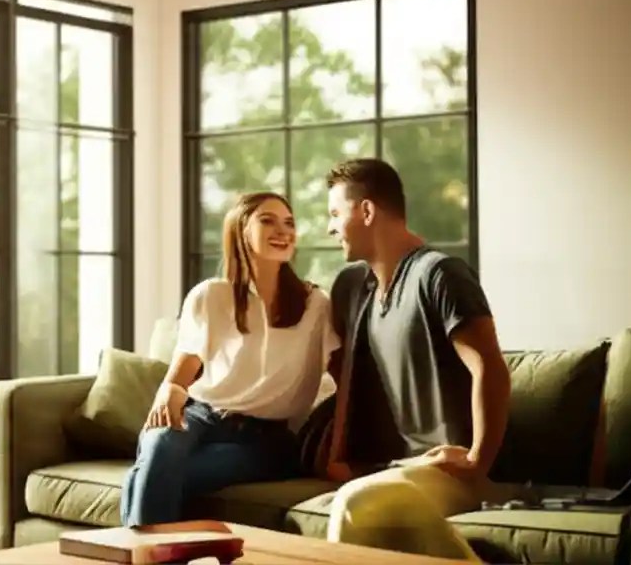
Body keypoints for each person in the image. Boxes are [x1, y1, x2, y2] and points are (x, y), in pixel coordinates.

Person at [322, 158, 513, 562]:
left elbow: (489, 367)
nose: (330, 227)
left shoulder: (440, 274)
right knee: (360, 496)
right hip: (405, 466)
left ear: (367, 211)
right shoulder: (359, 290)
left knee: (357, 504)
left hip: (454, 472)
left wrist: (478, 459)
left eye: (336, 213)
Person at [120, 192, 342, 526]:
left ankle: (140, 556)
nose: (283, 231)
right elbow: (182, 373)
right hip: (204, 416)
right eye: (268, 220)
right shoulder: (210, 295)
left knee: (149, 477)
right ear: (240, 229)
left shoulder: (316, 305)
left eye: (289, 223)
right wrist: (169, 391)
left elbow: (343, 373)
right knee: (161, 443)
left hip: (267, 440)